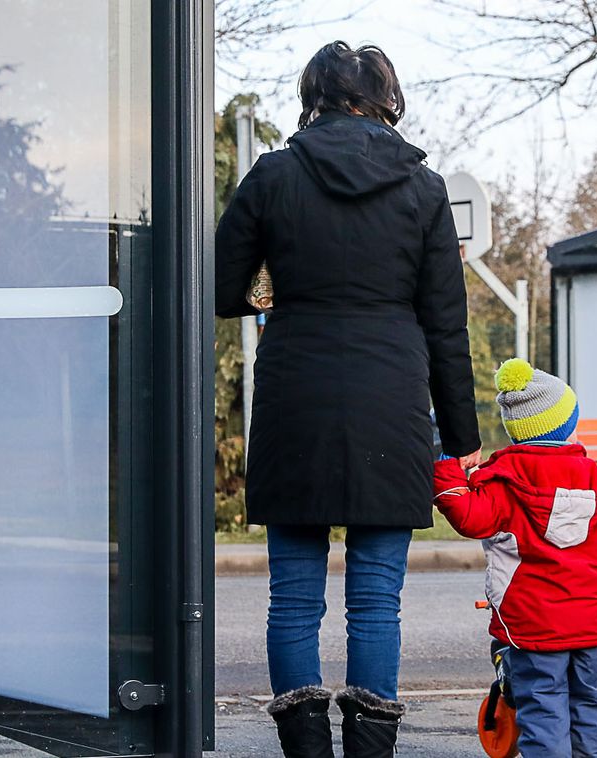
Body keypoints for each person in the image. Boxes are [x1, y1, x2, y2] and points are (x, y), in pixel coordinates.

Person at [215, 41, 482, 758]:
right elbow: (445, 326)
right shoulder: (424, 190)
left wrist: (276, 291)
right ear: (385, 98)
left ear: (314, 97)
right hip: (390, 399)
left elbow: (218, 288)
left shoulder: (271, 175)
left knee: (293, 598)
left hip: (294, 392)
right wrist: (461, 438)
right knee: (375, 598)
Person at [433, 358, 597, 758]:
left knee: (543, 705)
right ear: (566, 426)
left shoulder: (503, 483)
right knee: (589, 701)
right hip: (592, 621)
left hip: (531, 624)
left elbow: (468, 517)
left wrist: (448, 474)